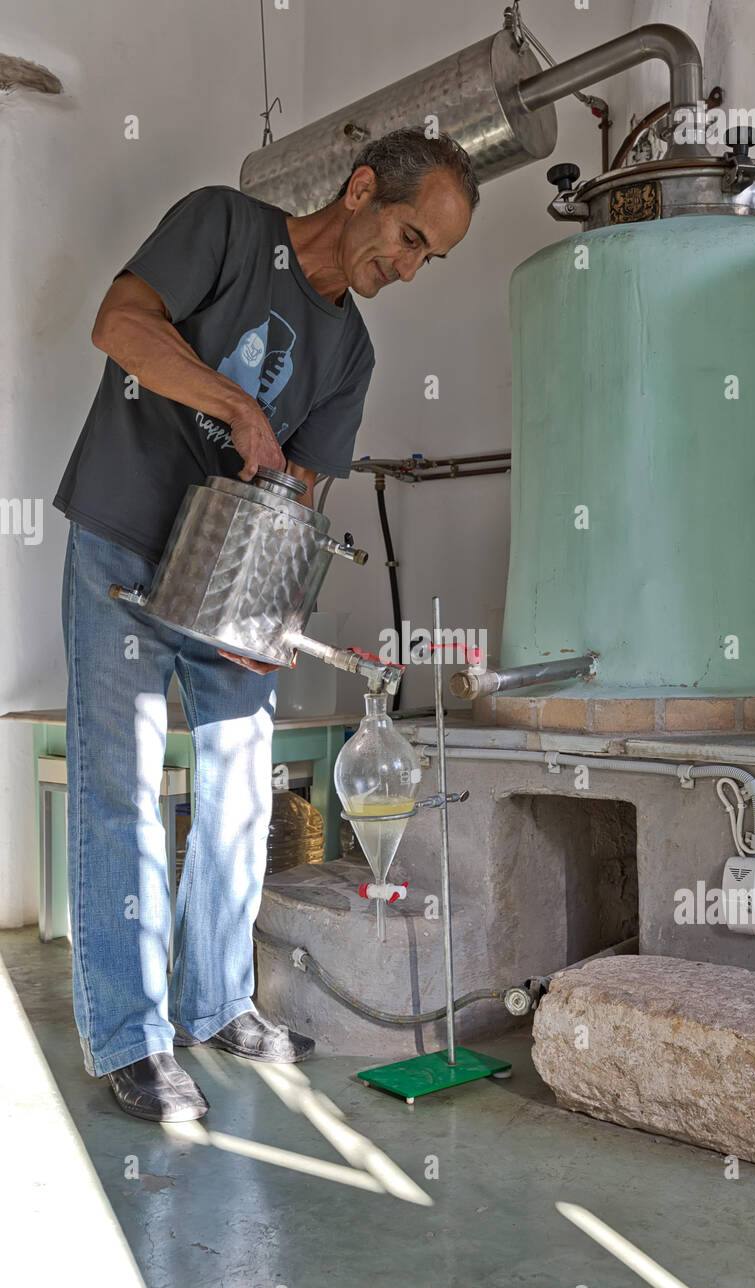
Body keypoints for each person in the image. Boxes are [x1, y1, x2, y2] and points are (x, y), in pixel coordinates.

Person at [52, 127, 479, 1122]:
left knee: (244, 787)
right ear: (362, 187)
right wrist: (237, 410)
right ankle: (131, 1037)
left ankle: (216, 1005)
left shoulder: (353, 352)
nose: (408, 268)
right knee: (120, 783)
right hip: (122, 532)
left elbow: (304, 492)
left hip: (227, 575)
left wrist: (278, 608)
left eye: (429, 257)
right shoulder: (224, 226)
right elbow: (119, 324)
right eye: (408, 236)